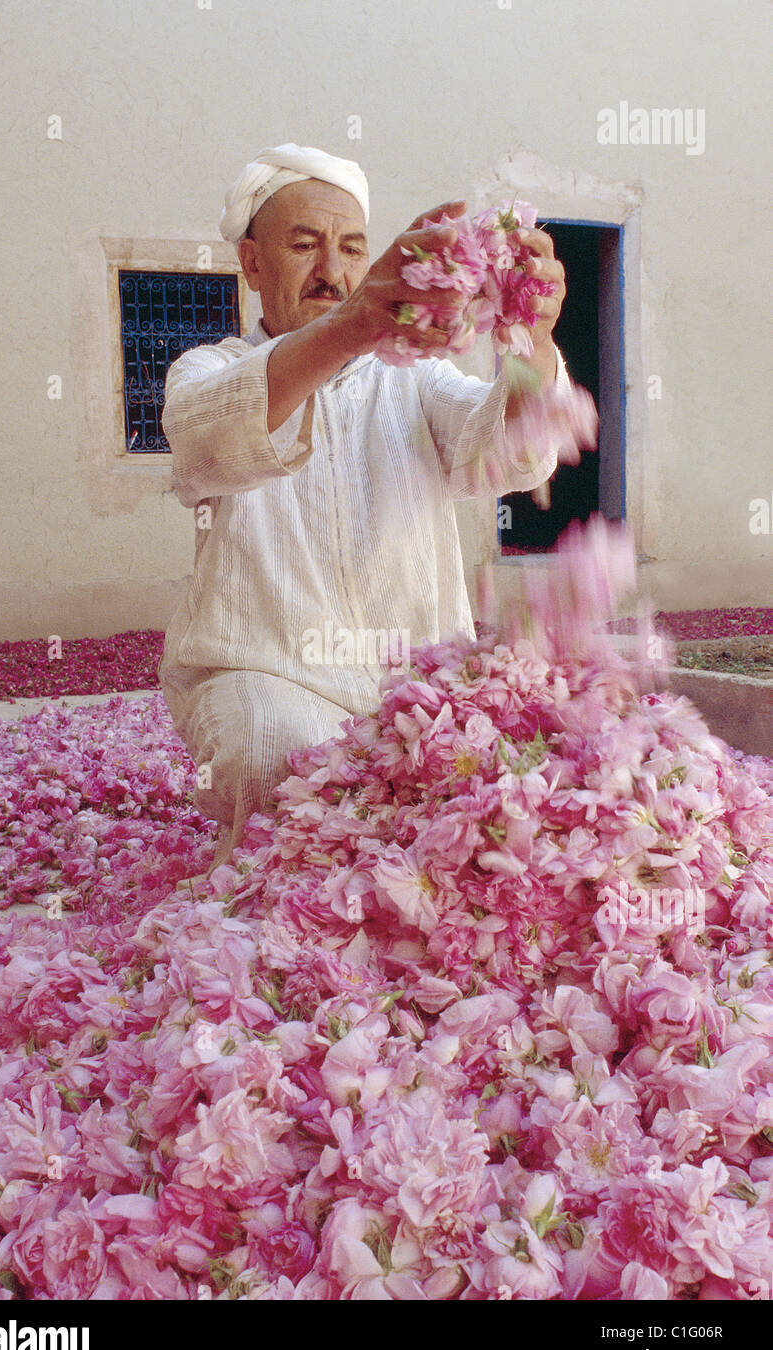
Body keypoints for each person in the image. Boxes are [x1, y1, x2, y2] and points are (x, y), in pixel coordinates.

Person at [159, 142, 570, 865]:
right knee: (273, 757)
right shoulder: (211, 369)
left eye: (352, 248)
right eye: (303, 245)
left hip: (407, 683)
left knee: (489, 800)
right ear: (252, 263)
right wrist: (355, 324)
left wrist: (531, 339)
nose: (332, 270)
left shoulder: (412, 379)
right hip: (268, 670)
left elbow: (509, 454)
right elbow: (208, 442)